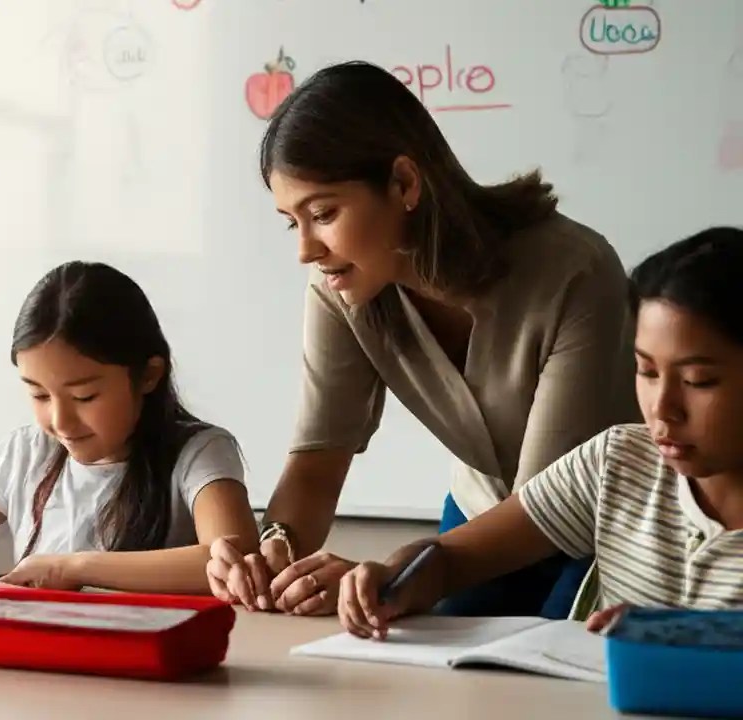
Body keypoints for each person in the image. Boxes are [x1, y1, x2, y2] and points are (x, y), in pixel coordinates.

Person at [207, 60, 638, 618]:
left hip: (605, 526)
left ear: (404, 183)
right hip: (479, 514)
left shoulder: (575, 272)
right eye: (294, 222)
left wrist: (399, 572)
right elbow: (317, 461)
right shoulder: (339, 286)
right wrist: (274, 551)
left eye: (324, 213)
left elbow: (545, 508)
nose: (306, 250)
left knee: (560, 672)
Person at [338, 228, 743, 638]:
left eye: (698, 380)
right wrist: (393, 575)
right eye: (647, 371)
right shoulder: (617, 461)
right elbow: (451, 559)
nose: (662, 407)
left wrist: (666, 632)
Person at [0, 260, 259, 593]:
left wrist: (76, 567)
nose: (60, 422)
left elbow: (231, 558)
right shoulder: (27, 453)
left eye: (84, 397)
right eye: (39, 396)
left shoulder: (199, 452)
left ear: (148, 375)